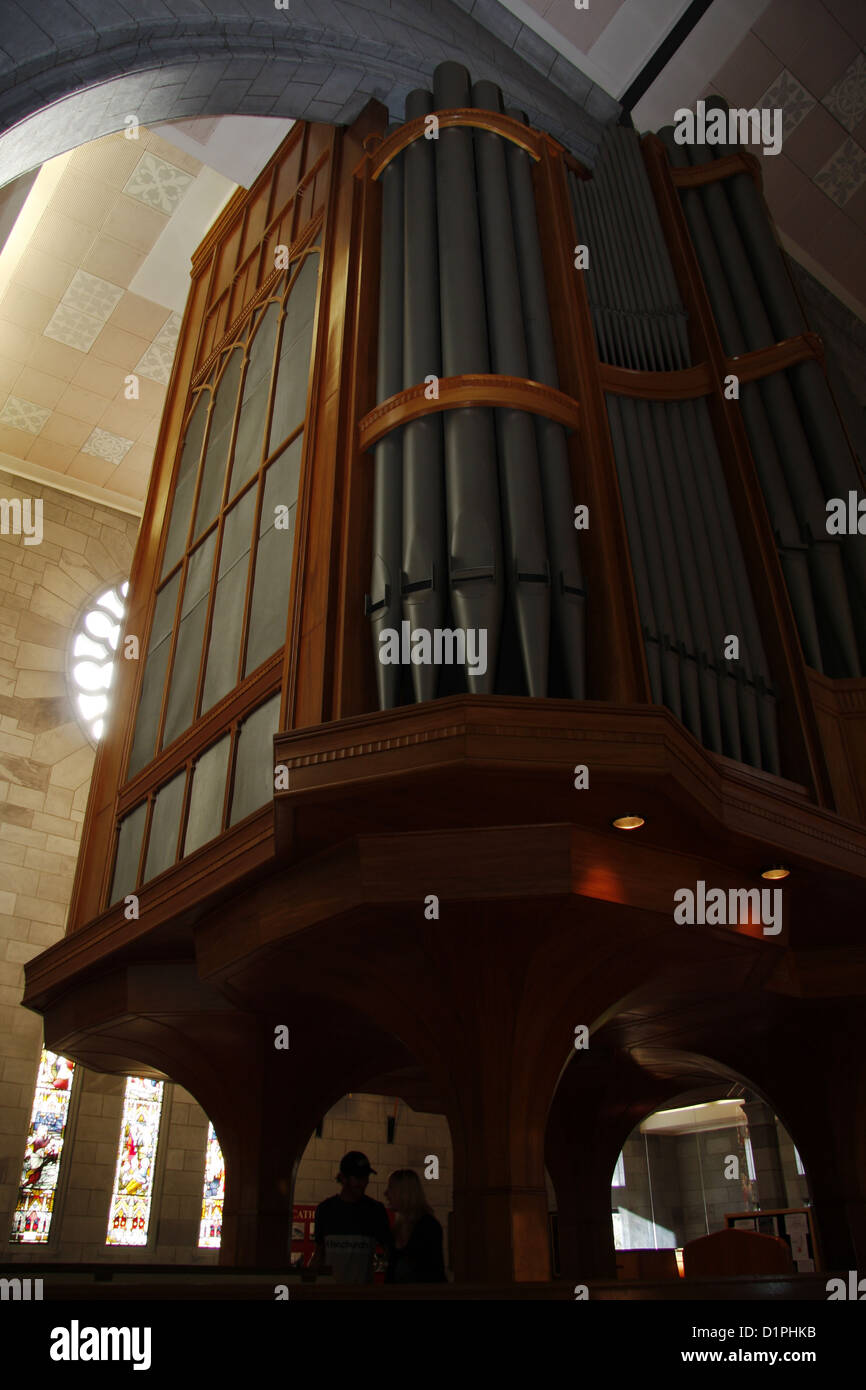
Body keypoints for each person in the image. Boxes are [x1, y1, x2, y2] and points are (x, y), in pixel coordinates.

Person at [311, 1151, 392, 1283]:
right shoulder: (325, 1210)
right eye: (358, 1177)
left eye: (365, 1177)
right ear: (343, 1178)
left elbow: (390, 1252)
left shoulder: (375, 1210)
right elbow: (319, 1254)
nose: (363, 1182)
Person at [384, 1169, 446, 1283]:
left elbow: (433, 1273)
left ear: (403, 1192)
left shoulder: (428, 1227)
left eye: (391, 1188)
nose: (386, 1193)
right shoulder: (396, 1228)